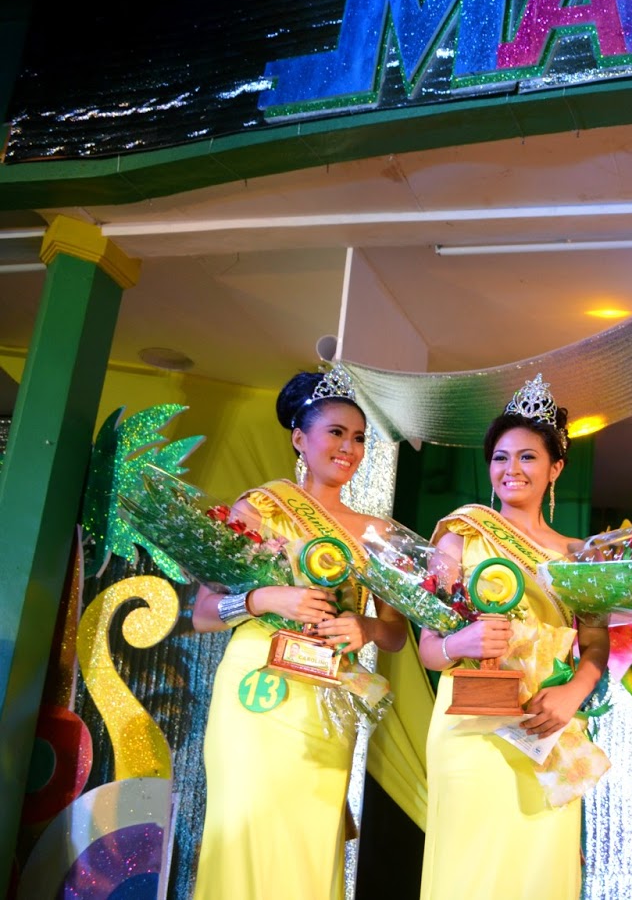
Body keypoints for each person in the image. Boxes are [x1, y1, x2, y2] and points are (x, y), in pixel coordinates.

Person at [191, 365, 410, 900]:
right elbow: (202, 613)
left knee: (309, 836)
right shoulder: (260, 508)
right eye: (336, 432)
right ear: (299, 438)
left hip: (327, 695)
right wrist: (265, 598)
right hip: (256, 690)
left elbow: (397, 633)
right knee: (243, 825)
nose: (349, 447)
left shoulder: (378, 533)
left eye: (358, 438)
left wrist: (364, 625)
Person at [417, 376, 609, 900]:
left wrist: (573, 694)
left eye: (528, 457)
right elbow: (429, 648)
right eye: (501, 458)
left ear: (556, 469)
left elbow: (596, 643)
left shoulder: (579, 555)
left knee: (536, 873)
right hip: (471, 726)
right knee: (469, 872)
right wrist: (463, 643)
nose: (512, 470)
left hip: (544, 724)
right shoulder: (460, 535)